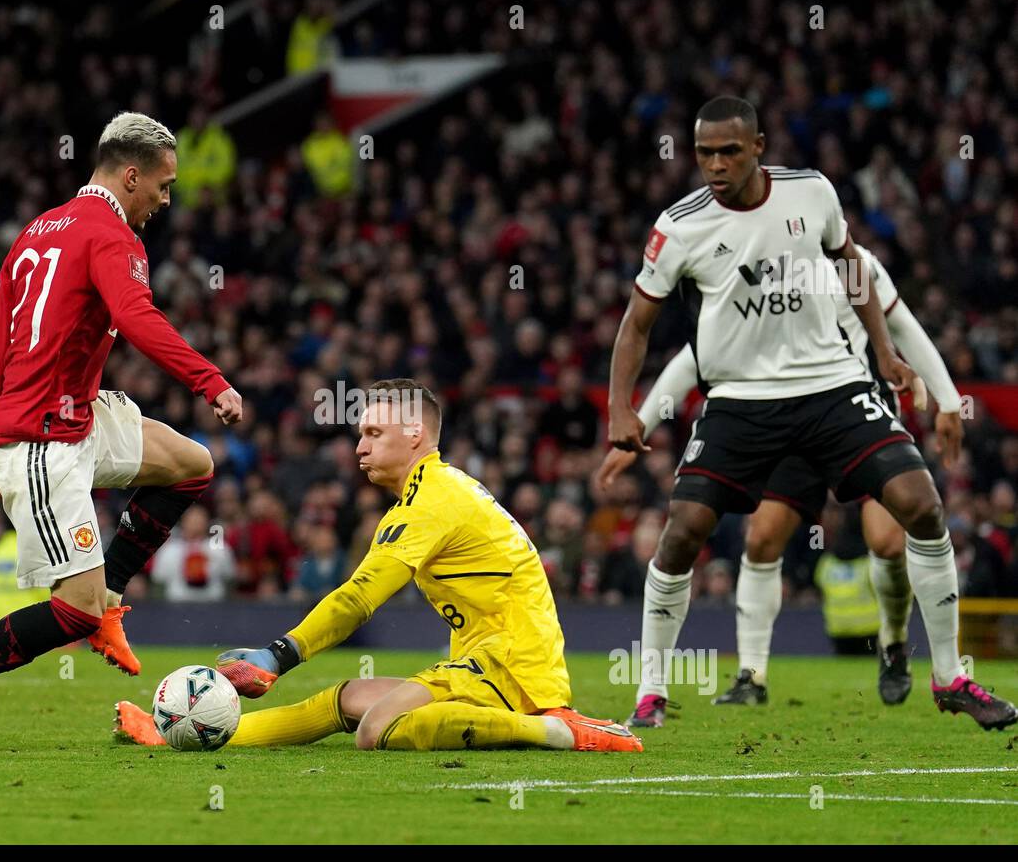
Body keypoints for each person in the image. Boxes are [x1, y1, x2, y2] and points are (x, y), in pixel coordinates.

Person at [606, 96, 1014, 731]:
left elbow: (854, 265)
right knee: (684, 529)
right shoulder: (679, 227)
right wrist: (623, 410)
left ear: (759, 147)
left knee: (922, 505)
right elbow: (638, 327)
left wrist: (885, 352)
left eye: (729, 152)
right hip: (741, 401)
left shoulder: (811, 194)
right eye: (704, 153)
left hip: (832, 388)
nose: (715, 165)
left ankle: (949, 676)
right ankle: (653, 691)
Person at [0, 112, 245, 753]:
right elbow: (137, 317)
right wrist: (210, 381)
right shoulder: (113, 237)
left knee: (192, 464)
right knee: (74, 610)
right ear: (131, 175)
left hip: (75, 414)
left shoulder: (37, 231)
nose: (166, 201)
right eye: (163, 187)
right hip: (41, 437)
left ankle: (109, 596)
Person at [115, 378, 642, 753]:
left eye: (373, 434)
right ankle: (174, 734)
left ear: (414, 434)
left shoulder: (434, 499)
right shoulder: (426, 494)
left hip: (511, 663)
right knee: (347, 699)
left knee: (375, 728)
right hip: (490, 659)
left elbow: (358, 599)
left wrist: (277, 657)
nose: (360, 445)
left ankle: (561, 732)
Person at [597, 243, 965, 708]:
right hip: (786, 420)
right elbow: (698, 357)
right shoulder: (757, 269)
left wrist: (948, 399)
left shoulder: (856, 265)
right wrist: (642, 424)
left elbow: (901, 324)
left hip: (852, 414)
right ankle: (752, 675)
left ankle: (892, 641)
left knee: (889, 541)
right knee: (763, 538)